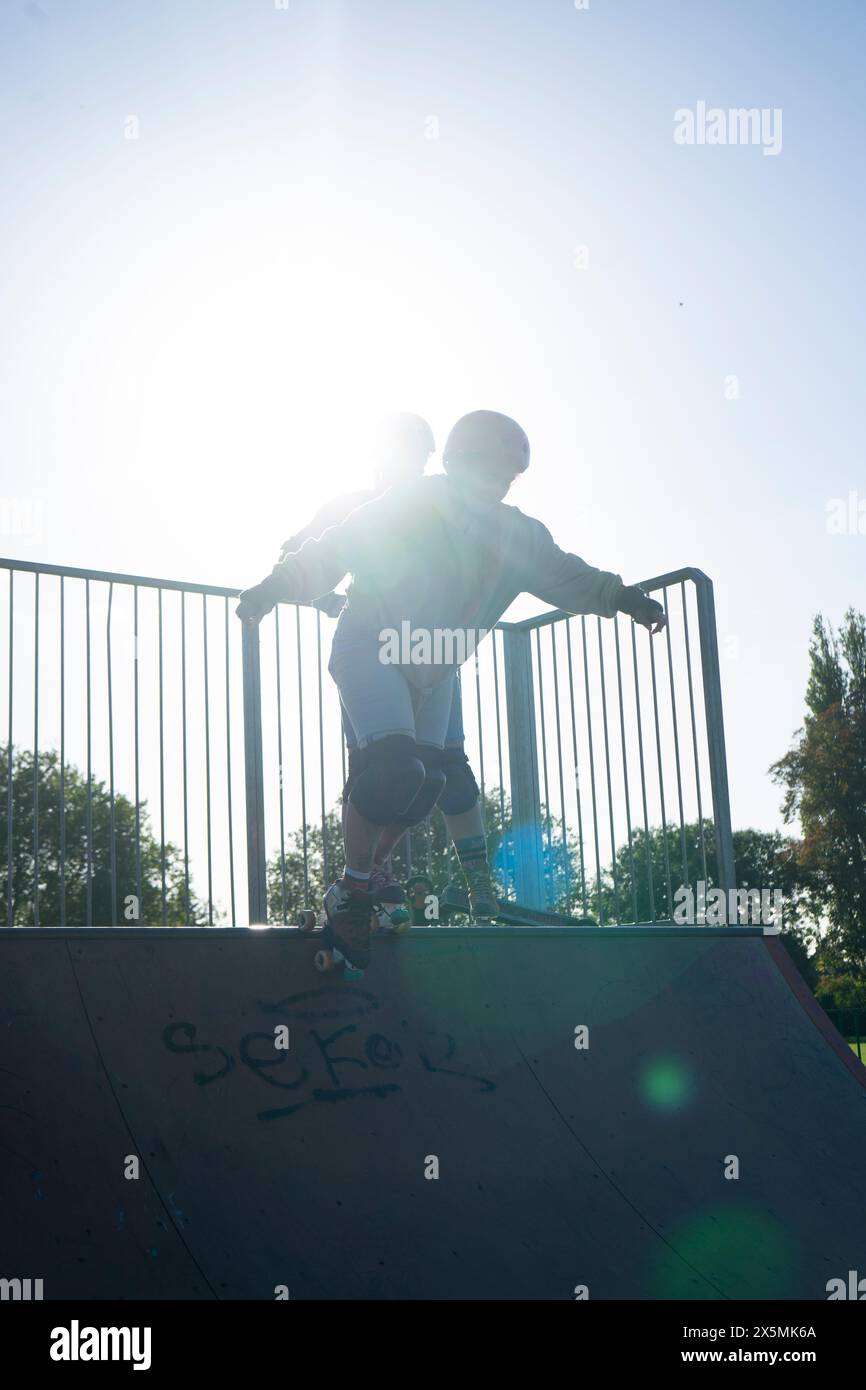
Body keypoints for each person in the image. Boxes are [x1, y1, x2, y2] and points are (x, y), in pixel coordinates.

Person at [237, 410, 666, 969]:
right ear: (457, 465)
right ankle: (351, 890)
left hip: (435, 667)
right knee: (393, 769)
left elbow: (569, 575)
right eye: (487, 474)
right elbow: (337, 546)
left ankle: (370, 876)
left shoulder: (517, 535)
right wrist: (274, 588)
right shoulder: (412, 503)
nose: (494, 489)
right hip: (371, 644)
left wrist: (625, 599)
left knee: (430, 783)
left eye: (505, 480)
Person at [276, 414, 493, 921]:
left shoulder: (438, 508)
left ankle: (472, 882)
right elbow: (295, 553)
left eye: (418, 460)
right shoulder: (351, 506)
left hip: (430, 651)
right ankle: (366, 873)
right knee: (383, 766)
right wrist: (328, 601)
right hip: (372, 650)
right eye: (403, 457)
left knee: (445, 772)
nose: (409, 468)